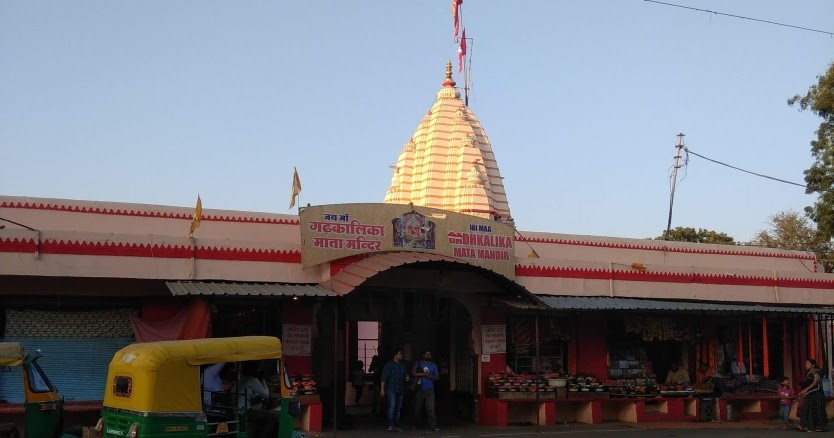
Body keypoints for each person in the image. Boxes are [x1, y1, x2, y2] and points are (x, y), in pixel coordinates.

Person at [232, 362, 276, 438]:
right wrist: (263, 380)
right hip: (245, 412)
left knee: (260, 416)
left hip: (236, 410)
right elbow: (266, 396)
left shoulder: (241, 380)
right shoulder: (253, 380)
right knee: (271, 417)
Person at [380, 349, 409, 432]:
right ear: (395, 355)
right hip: (391, 388)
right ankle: (390, 425)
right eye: (400, 354)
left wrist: (407, 378)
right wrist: (382, 389)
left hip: (400, 389)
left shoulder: (402, 366)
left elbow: (406, 376)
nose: (401, 355)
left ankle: (395, 425)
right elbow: (384, 377)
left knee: (398, 408)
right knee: (392, 406)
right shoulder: (389, 365)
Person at [411, 349, 440, 432]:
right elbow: (413, 373)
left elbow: (437, 377)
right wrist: (424, 374)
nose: (428, 355)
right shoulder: (419, 363)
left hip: (430, 390)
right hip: (419, 389)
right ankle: (415, 424)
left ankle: (434, 426)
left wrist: (430, 376)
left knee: (431, 409)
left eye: (429, 354)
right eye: (426, 354)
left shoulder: (434, 365)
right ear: (423, 355)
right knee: (417, 408)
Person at [798, 358, 827, 432]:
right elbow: (808, 383)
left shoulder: (817, 372)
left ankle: (820, 427)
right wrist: (802, 390)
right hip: (809, 394)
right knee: (805, 409)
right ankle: (804, 426)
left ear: (813, 365)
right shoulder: (808, 373)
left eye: (808, 363)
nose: (806, 365)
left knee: (817, 410)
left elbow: (815, 383)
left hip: (816, 393)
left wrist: (805, 390)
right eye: (805, 363)